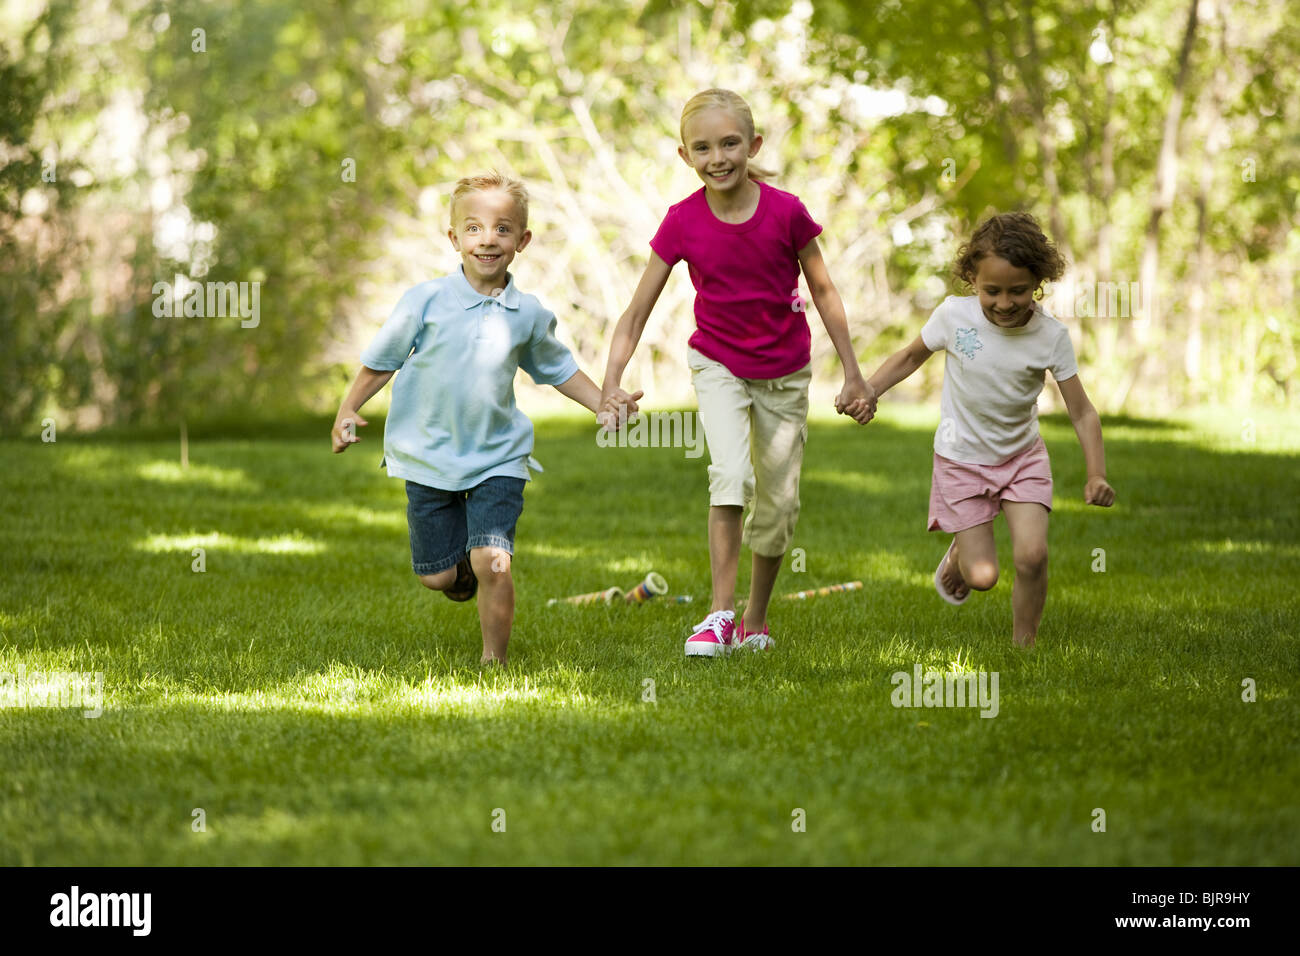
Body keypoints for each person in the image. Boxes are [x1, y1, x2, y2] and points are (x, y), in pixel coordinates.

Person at [598, 89, 875, 659]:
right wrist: (610, 382)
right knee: (729, 474)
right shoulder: (682, 222)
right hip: (718, 362)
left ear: (753, 145)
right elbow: (636, 311)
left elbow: (824, 291)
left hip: (785, 372)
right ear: (684, 156)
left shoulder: (786, 212)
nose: (717, 157)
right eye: (703, 148)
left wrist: (854, 375)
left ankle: (755, 618)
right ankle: (720, 615)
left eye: (729, 143)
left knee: (777, 505)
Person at [332, 172, 639, 666]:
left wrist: (603, 401)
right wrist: (348, 409)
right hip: (427, 455)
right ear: (454, 239)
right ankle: (464, 573)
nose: (488, 239)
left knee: (493, 559)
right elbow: (381, 361)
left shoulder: (528, 313)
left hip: (499, 456)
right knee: (437, 576)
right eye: (474, 228)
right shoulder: (424, 302)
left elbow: (558, 369)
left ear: (522, 239)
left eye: (502, 228)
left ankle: (492, 660)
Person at [865, 212, 1115, 647]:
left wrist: (1096, 473)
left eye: (1017, 291)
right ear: (971, 280)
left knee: (1033, 556)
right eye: (991, 291)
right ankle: (961, 553)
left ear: (1038, 282)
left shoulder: (1050, 336)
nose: (1003, 303)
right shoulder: (953, 317)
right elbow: (908, 357)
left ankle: (1025, 644)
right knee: (983, 577)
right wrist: (869, 390)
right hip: (961, 460)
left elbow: (1082, 412)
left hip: (1022, 460)